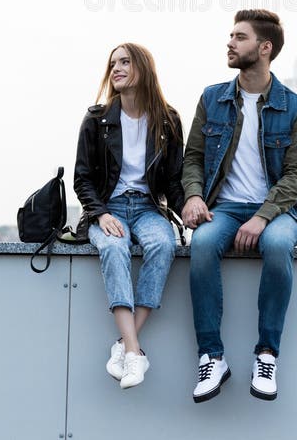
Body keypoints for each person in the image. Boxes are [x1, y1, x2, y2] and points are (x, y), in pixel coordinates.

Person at [182, 10, 297, 403]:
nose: (230, 43)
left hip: (278, 210)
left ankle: (266, 354)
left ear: (265, 48)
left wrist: (262, 217)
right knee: (202, 244)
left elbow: (296, 176)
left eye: (240, 37)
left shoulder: (294, 107)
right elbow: (193, 157)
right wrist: (192, 195)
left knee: (275, 245)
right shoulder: (212, 98)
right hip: (224, 207)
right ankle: (211, 356)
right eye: (231, 36)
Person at [74, 42, 184, 389]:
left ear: (143, 68)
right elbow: (83, 178)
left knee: (163, 245)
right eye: (113, 64)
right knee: (114, 248)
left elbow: (173, 181)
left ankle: (125, 345)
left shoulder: (168, 120)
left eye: (124, 62)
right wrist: (101, 213)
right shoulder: (97, 120)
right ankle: (136, 354)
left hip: (150, 208)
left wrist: (193, 210)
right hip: (110, 207)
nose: (116, 69)